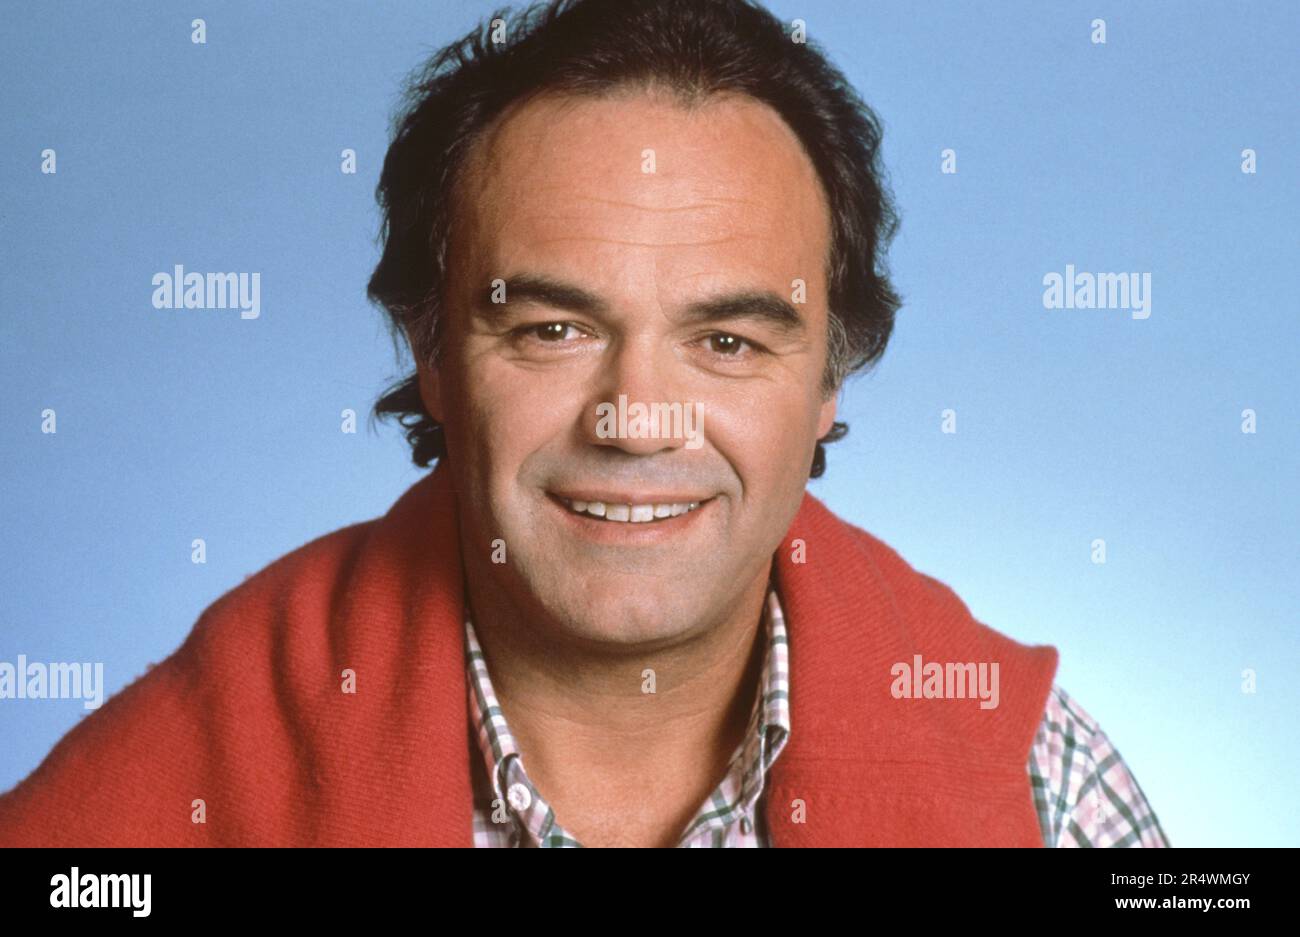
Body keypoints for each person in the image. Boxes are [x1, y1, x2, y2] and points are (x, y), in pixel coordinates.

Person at [0, 0, 1167, 848]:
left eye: (728, 341)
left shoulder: (1038, 786)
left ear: (827, 383)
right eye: (552, 329)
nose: (637, 417)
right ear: (434, 355)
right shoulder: (176, 783)